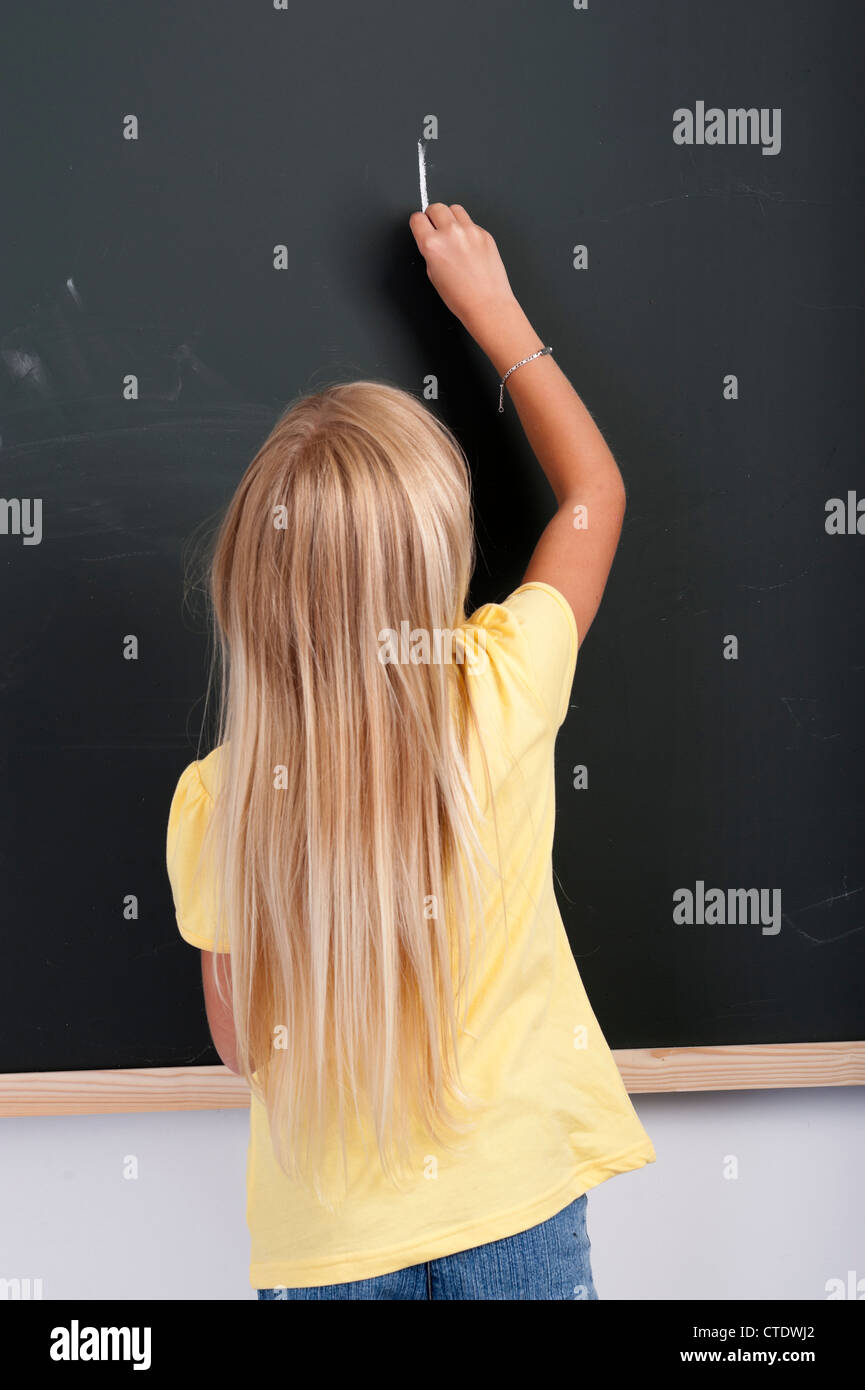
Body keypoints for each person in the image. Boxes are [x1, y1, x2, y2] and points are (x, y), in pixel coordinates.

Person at [166, 201, 655, 1300]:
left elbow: (244, 1046)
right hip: (517, 1204)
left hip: (328, 1242)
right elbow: (595, 496)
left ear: (254, 585)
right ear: (434, 561)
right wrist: (496, 314)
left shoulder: (223, 799)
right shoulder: (498, 685)